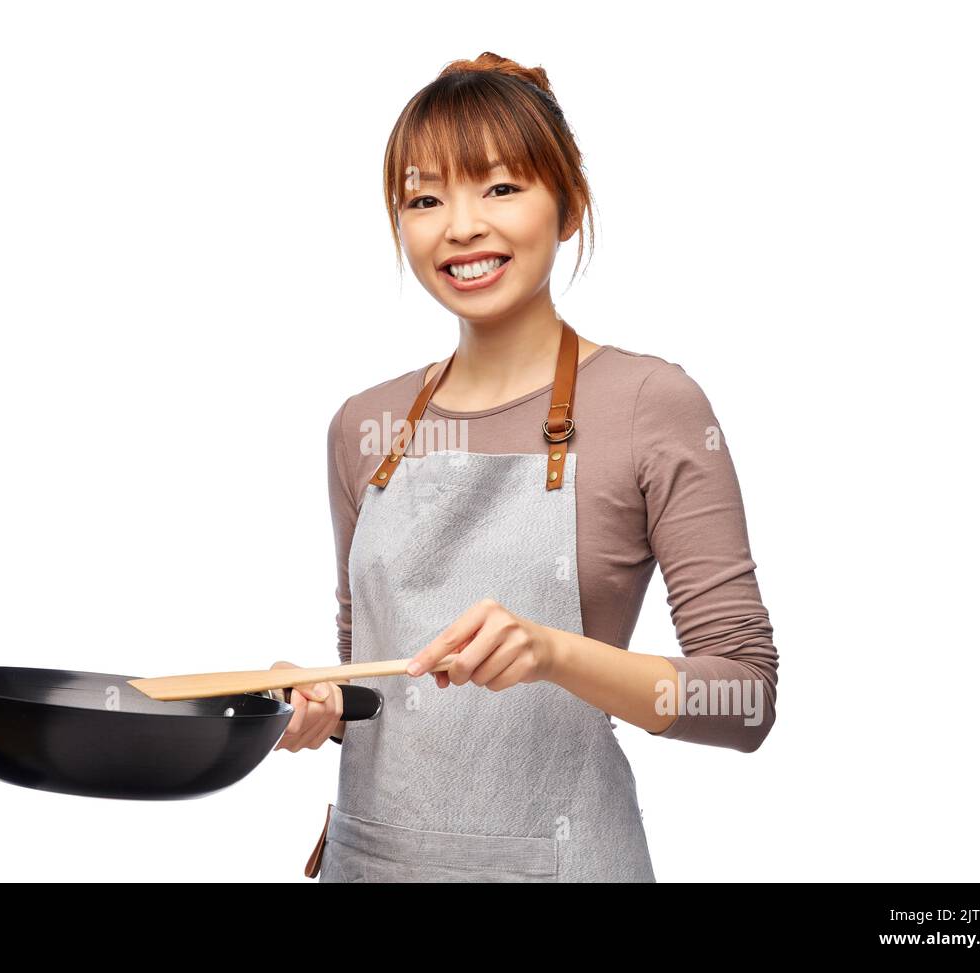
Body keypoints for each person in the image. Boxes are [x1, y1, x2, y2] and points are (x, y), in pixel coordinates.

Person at [274, 52, 779, 882]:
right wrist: (316, 698)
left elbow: (746, 698)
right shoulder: (365, 426)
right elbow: (381, 689)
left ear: (569, 204)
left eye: (501, 188)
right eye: (424, 198)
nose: (461, 226)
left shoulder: (652, 402)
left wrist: (554, 655)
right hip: (372, 864)